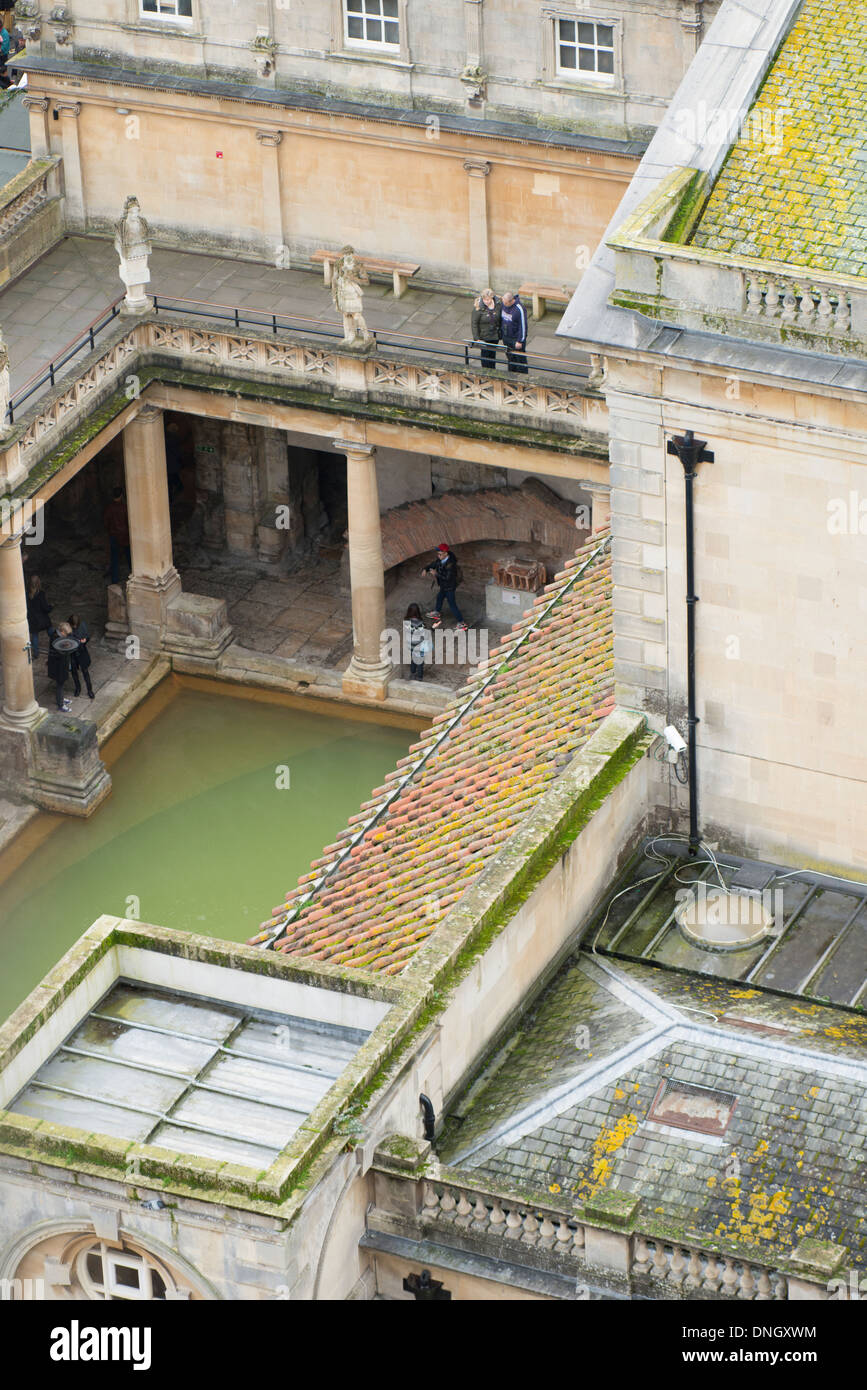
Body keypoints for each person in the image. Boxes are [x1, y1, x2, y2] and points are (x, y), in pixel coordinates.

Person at [422, 543, 467, 630]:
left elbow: (448, 578)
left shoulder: (451, 564)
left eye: (440, 554)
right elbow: (433, 564)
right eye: (438, 554)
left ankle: (462, 623)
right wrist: (425, 569)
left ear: (446, 553)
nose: (438, 556)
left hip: (449, 587)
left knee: (452, 605)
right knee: (439, 597)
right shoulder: (440, 560)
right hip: (443, 586)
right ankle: (437, 612)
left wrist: (436, 574)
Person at [103, 486, 131, 584]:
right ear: (121, 495)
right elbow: (128, 521)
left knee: (114, 558)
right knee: (129, 556)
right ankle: (134, 574)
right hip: (125, 535)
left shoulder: (109, 508)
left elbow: (106, 522)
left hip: (114, 535)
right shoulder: (124, 507)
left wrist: (110, 531)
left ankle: (115, 580)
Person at [471, 288, 502, 370]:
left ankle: (492, 370)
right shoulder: (478, 308)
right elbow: (474, 323)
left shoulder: (498, 303)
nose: (486, 301)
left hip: (495, 335)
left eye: (488, 299)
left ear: (492, 297)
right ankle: (486, 371)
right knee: (485, 355)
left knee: (492, 354)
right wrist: (476, 338)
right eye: (485, 299)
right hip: (484, 336)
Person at [47, 622, 75, 712]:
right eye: (66, 634)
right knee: (60, 684)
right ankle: (61, 704)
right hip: (58, 666)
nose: (66, 635)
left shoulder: (58, 636)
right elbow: (59, 653)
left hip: (61, 664)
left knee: (61, 684)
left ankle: (61, 699)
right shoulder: (56, 639)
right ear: (62, 631)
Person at [500, 291, 529, 374]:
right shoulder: (504, 304)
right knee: (510, 358)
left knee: (520, 360)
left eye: (505, 303)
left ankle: (522, 378)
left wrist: (520, 341)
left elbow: (523, 326)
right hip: (506, 336)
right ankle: (511, 375)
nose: (504, 305)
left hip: (516, 339)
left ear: (511, 301)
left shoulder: (519, 309)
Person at [68, 613, 95, 700]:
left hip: (81, 651)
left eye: (76, 625)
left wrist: (85, 640)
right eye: (74, 625)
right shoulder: (68, 628)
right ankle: (78, 688)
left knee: (85, 671)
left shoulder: (82, 625)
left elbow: (87, 636)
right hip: (72, 653)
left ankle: (89, 690)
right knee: (74, 672)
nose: (75, 627)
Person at [403, 603, 433, 681]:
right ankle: (419, 677)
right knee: (420, 663)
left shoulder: (406, 621)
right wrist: (432, 628)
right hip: (419, 647)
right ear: (418, 612)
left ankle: (412, 673)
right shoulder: (420, 623)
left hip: (410, 645)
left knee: (413, 659)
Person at [26, 574, 52, 657]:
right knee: (51, 631)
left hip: (32, 619)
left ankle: (36, 654)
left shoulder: (26, 593)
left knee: (35, 636)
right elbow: (45, 608)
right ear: (38, 583)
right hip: (42, 618)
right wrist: (51, 607)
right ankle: (57, 644)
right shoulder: (41, 594)